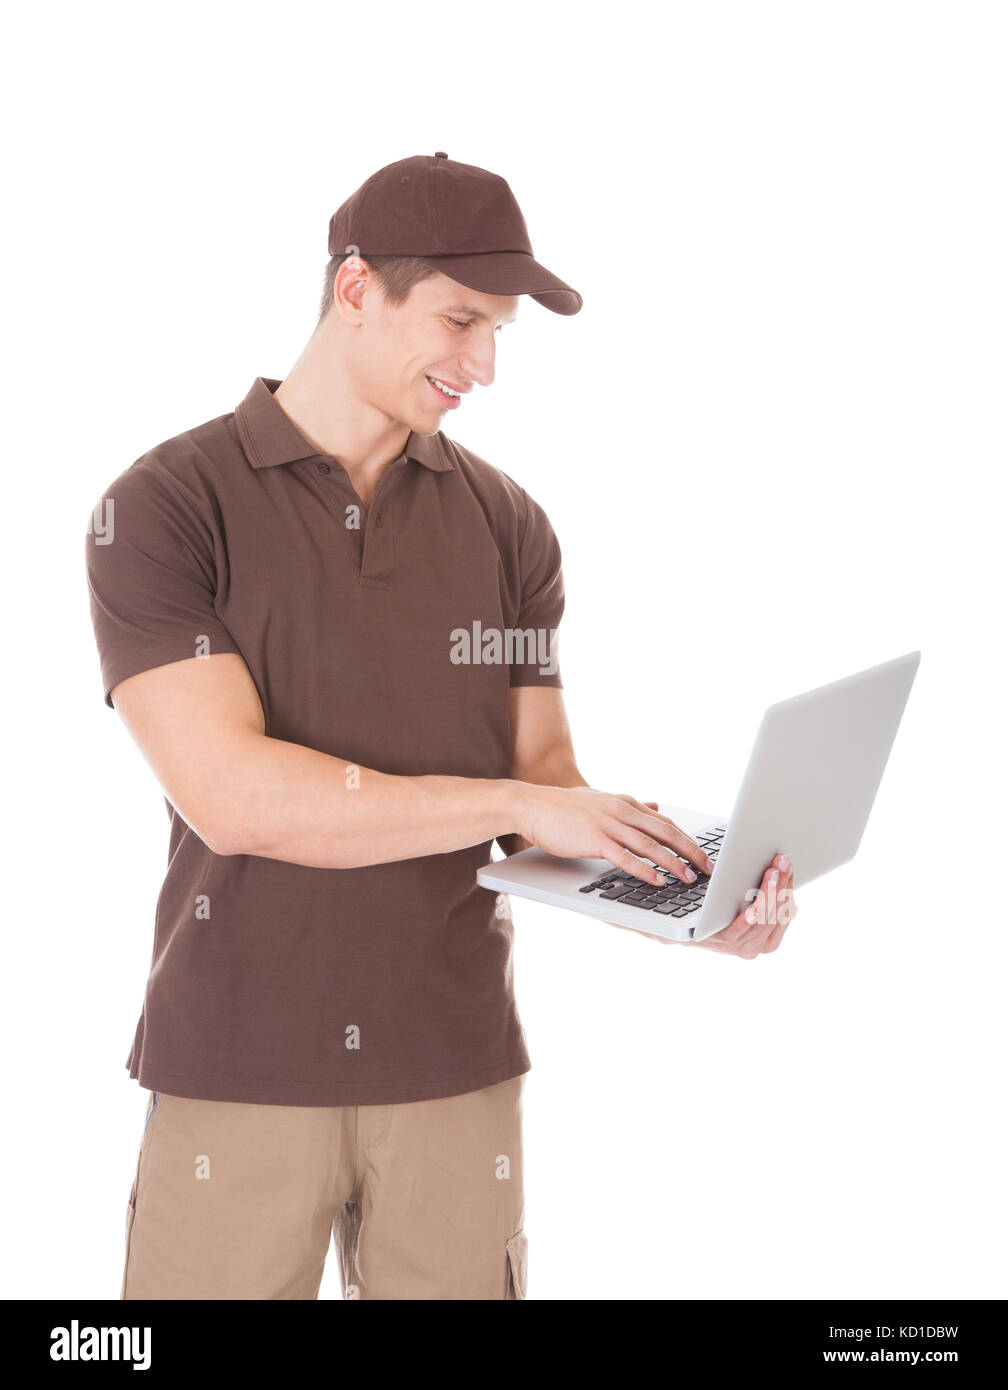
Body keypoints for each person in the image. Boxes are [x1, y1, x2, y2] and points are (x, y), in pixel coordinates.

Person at [85, 152, 797, 1301]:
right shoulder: (167, 507)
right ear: (356, 288)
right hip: (238, 1064)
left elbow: (543, 783)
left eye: (500, 329)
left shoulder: (511, 527)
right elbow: (232, 794)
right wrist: (517, 805)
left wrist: (683, 897)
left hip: (459, 1071)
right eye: (462, 319)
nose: (485, 365)